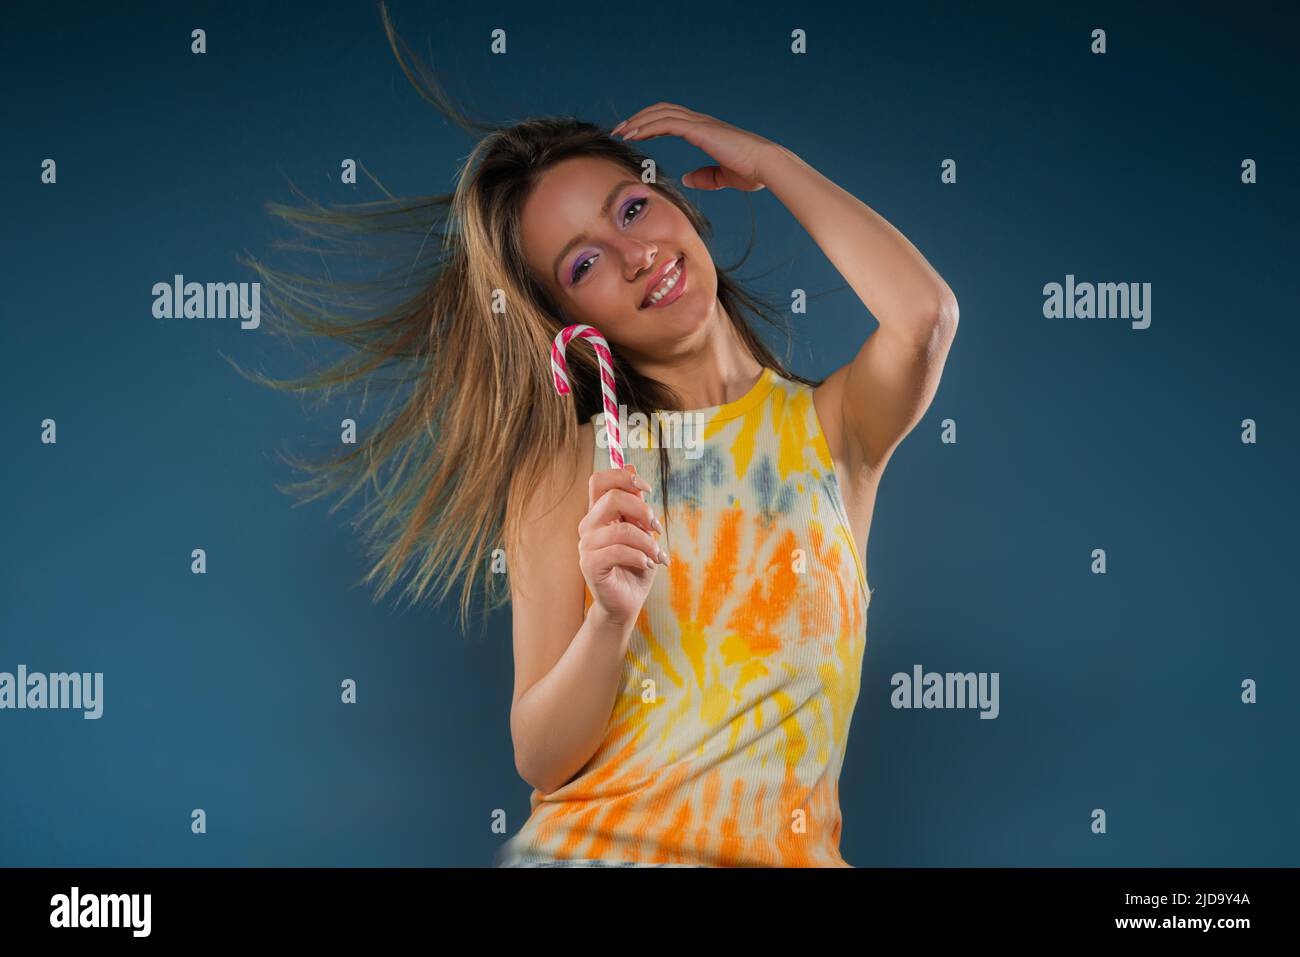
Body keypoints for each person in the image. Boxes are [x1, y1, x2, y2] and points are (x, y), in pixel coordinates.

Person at [242, 3, 957, 867]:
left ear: (686, 208)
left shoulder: (834, 430)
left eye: (632, 208)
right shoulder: (576, 466)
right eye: (582, 265)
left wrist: (772, 161)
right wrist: (608, 621)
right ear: (568, 320)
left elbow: (925, 316)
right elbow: (539, 755)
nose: (632, 255)